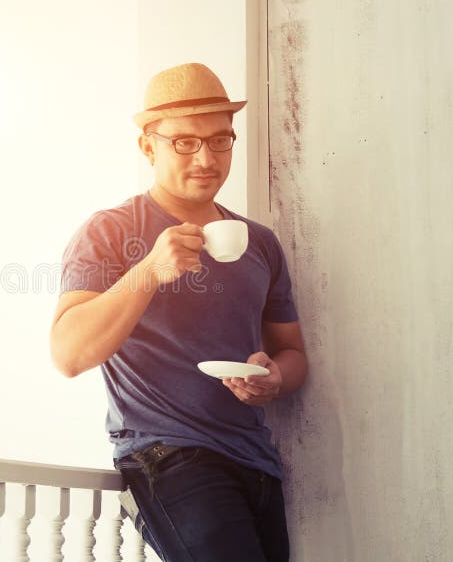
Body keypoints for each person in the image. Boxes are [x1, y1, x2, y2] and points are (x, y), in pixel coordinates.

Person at [49, 62, 308, 561]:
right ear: (148, 146)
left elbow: (292, 352)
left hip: (258, 464)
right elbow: (68, 354)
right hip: (169, 460)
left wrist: (276, 379)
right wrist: (149, 270)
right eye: (184, 142)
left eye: (220, 140)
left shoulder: (262, 244)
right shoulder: (108, 232)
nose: (206, 157)